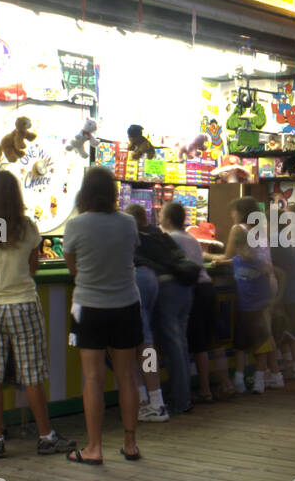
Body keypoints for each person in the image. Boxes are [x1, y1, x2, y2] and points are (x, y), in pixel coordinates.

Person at [0, 170, 71, 459]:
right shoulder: (29, 229)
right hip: (24, 305)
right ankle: (46, 436)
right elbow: (33, 269)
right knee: (33, 375)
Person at [61, 166, 142, 465]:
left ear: (84, 192)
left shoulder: (76, 225)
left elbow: (72, 268)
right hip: (126, 306)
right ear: (112, 192)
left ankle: (94, 448)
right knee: (127, 377)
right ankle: (130, 444)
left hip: (89, 308)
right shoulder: (128, 222)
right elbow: (131, 254)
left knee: (93, 379)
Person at [161, 201, 235, 403]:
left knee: (197, 343)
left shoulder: (169, 239)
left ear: (167, 219)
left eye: (161, 215)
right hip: (208, 288)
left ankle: (203, 390)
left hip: (191, 291)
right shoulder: (190, 238)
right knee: (213, 339)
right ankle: (225, 383)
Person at [133, 205, 195, 416]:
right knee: (177, 346)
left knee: (145, 344)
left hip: (161, 289)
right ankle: (177, 396)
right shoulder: (160, 235)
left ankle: (153, 398)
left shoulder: (138, 239)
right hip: (182, 289)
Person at [216, 196, 281, 394]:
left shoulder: (238, 230)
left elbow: (228, 256)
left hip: (250, 289)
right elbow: (246, 257)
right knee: (263, 333)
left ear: (241, 212)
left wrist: (208, 256)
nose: (231, 215)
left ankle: (248, 379)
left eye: (233, 211)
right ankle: (270, 375)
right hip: (268, 285)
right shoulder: (262, 231)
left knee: (247, 336)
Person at [125, 205, 172, 421]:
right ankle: (147, 400)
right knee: (143, 341)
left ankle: (153, 401)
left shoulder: (125, 229)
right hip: (150, 278)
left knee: (141, 343)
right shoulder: (155, 231)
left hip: (133, 279)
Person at [271, 205, 295, 380]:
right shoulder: (285, 240)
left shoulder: (273, 241)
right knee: (291, 330)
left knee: (283, 329)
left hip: (286, 292)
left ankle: (291, 366)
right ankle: (294, 367)